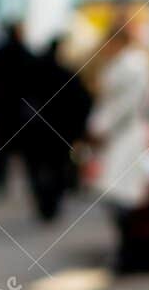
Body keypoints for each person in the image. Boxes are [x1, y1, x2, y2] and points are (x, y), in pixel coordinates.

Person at [87, 22, 149, 268]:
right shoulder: (122, 64)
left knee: (122, 196)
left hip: (126, 136)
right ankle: (126, 250)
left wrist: (100, 127)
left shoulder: (133, 65)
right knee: (116, 195)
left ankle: (129, 252)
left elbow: (123, 105)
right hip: (118, 137)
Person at [19, 37, 93, 222]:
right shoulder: (67, 75)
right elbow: (83, 102)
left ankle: (44, 202)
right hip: (59, 132)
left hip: (35, 131)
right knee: (58, 167)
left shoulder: (30, 74)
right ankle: (51, 203)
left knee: (36, 167)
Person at [0, 20, 32, 198]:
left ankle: (0, 182)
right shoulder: (23, 53)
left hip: (2, 108)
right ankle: (27, 183)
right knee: (21, 147)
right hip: (17, 109)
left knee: (1, 145)